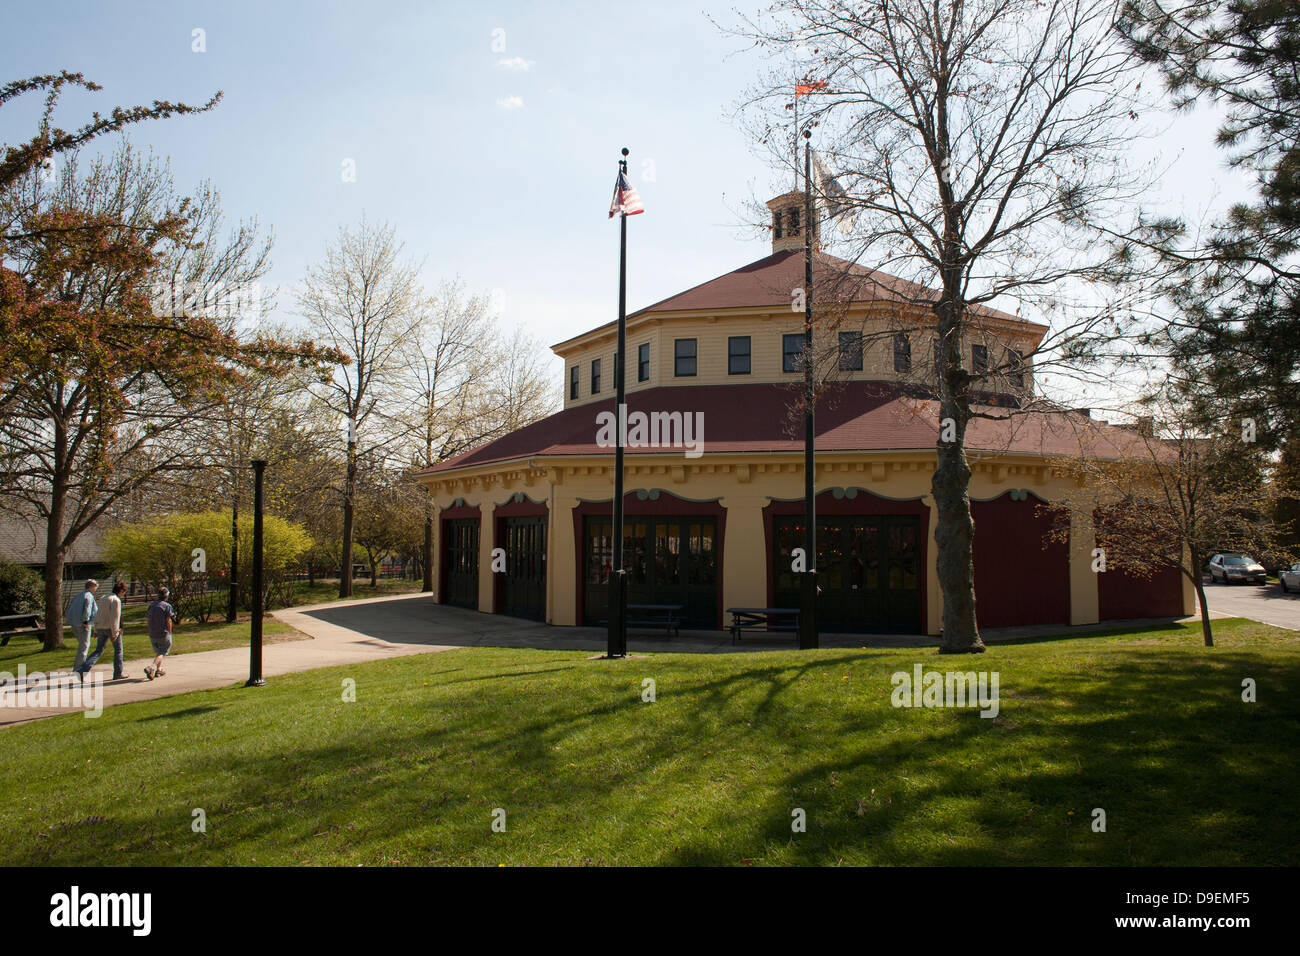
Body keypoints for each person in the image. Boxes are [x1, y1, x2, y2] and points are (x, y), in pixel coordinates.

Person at [76, 580, 126, 681]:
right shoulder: (115, 600)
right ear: (121, 591)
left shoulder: (103, 598)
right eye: (124, 592)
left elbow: (97, 615)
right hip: (110, 628)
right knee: (118, 650)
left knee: (98, 650)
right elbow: (115, 618)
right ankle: (118, 673)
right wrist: (115, 633)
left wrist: (95, 629)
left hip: (100, 628)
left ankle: (82, 669)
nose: (123, 594)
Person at [64, 579, 99, 672]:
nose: (96, 589)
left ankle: (79, 666)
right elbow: (88, 609)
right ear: (91, 587)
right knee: (84, 646)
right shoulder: (89, 596)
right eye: (95, 587)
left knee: (82, 645)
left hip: (74, 623)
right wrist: (85, 621)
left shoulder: (78, 596)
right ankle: (78, 668)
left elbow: (70, 609)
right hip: (83, 624)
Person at [143, 587, 176, 680]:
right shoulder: (166, 606)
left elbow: (148, 618)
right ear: (166, 595)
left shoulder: (152, 605)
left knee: (158, 652)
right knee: (162, 652)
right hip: (163, 632)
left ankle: (159, 670)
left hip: (152, 633)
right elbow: (168, 620)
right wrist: (169, 632)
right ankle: (151, 667)